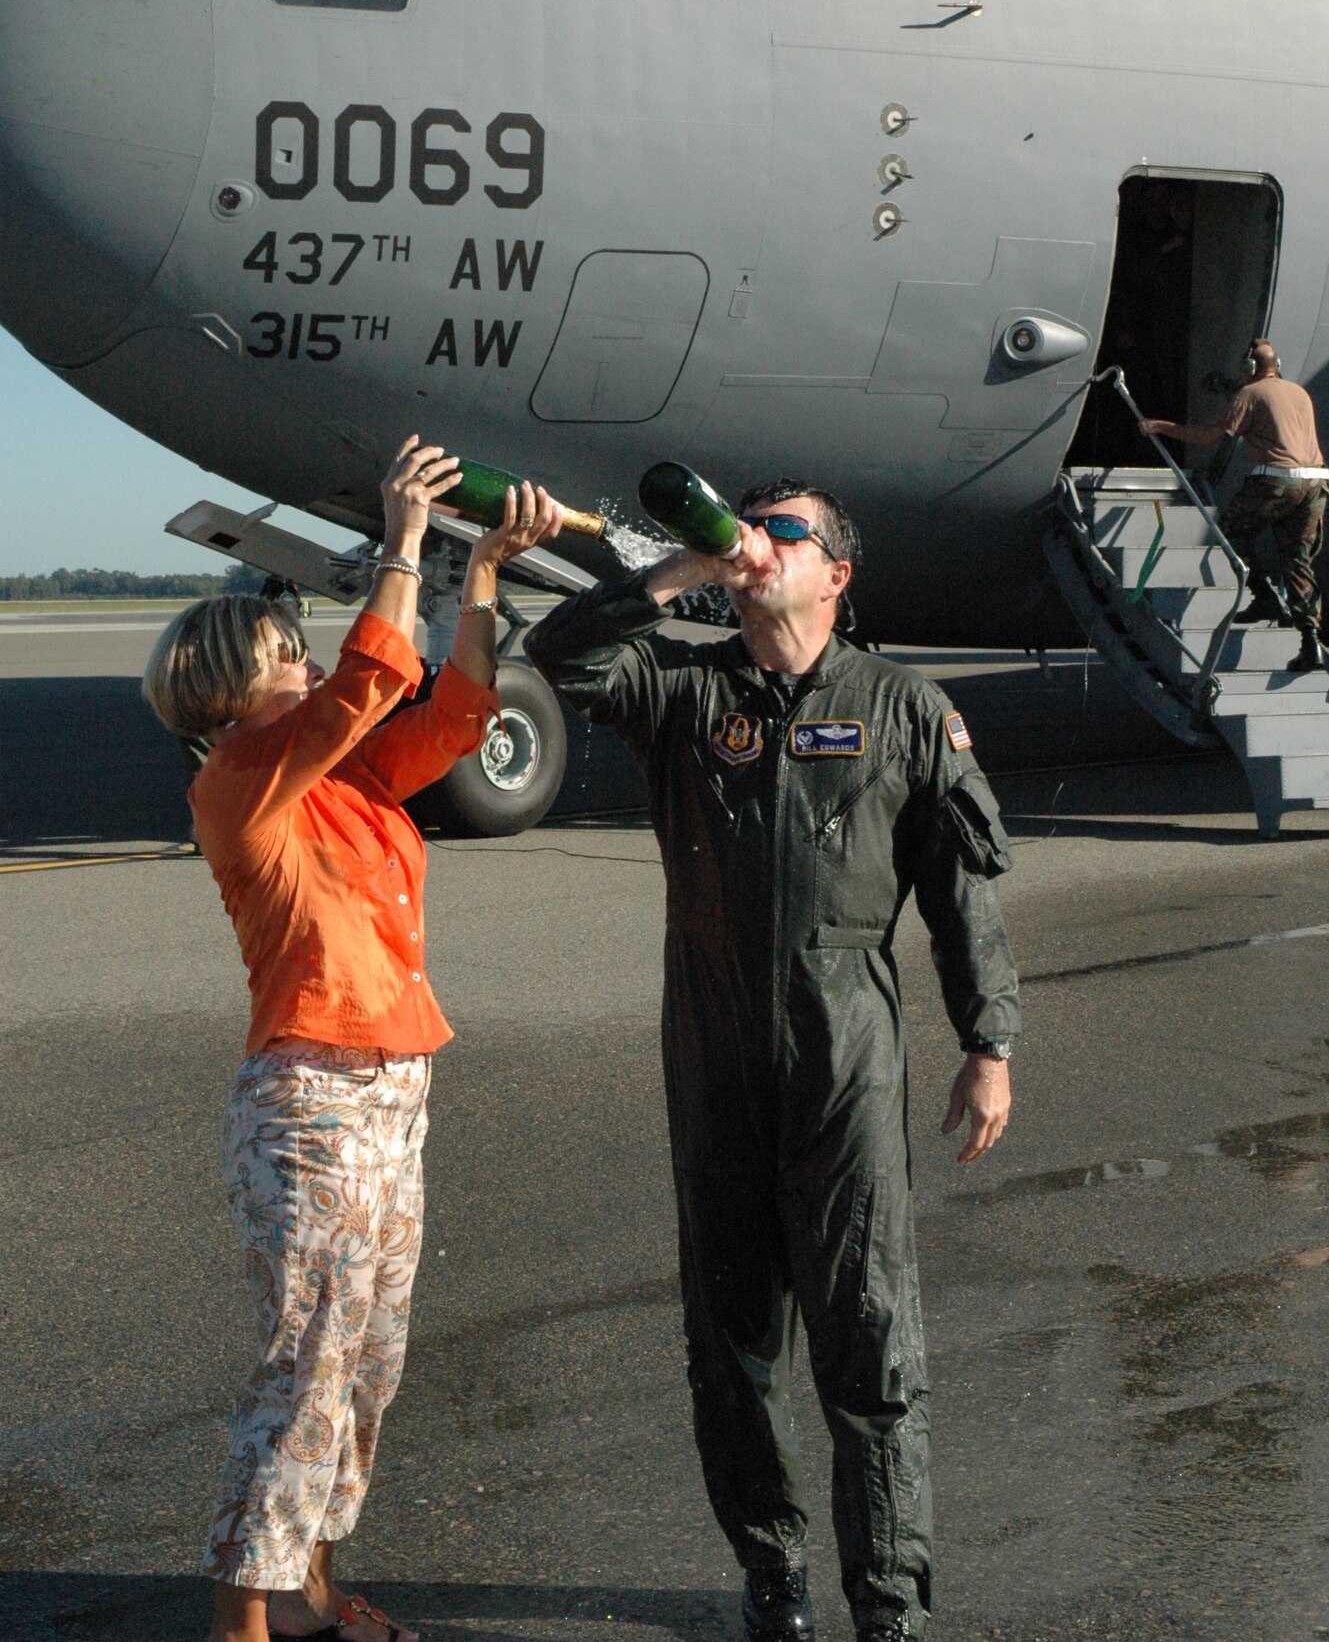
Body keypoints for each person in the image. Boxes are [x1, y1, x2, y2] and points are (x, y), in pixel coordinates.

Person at [526, 480, 1021, 1642]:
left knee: (869, 1344)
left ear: (837, 573)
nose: (762, 542)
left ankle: (888, 1604)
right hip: (711, 1057)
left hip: (844, 1056)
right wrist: (681, 573)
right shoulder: (689, 689)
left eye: (786, 530)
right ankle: (773, 1570)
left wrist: (988, 1041)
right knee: (731, 1348)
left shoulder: (902, 706)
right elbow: (564, 652)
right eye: (752, 526)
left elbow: (963, 896)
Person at [142, 438, 563, 1642]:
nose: (307, 655)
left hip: (395, 1090)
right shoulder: (236, 780)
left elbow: (460, 706)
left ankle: (313, 1580)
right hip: (311, 1103)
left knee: (369, 1360)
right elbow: (373, 675)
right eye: (284, 649)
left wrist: (480, 572)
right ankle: (242, 1617)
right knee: (308, 1360)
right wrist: (401, 539)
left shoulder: (348, 778)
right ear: (234, 682)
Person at [1139, 340, 1329, 672]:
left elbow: (1210, 436)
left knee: (1230, 532)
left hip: (1276, 481)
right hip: (1315, 485)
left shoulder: (1249, 395)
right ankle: (1310, 641)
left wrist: (1160, 427)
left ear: (1249, 369)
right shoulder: (1298, 393)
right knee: (1297, 561)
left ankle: (1265, 596)